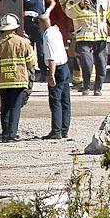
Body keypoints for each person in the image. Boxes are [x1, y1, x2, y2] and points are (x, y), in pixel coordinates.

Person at [65, 0, 110, 96]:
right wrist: (80, 6)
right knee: (87, 62)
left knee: (101, 63)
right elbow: (69, 12)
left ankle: (98, 88)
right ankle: (86, 86)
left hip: (101, 36)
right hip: (84, 36)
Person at [0, 14, 35, 142]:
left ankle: (4, 133)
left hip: (2, 81)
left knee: (4, 107)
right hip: (18, 81)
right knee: (15, 107)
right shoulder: (22, 42)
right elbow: (31, 62)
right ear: (14, 28)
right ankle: (11, 134)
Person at [40, 8, 71, 139]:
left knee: (55, 101)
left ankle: (56, 131)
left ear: (41, 24)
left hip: (57, 69)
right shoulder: (55, 30)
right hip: (65, 67)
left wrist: (51, 75)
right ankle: (64, 130)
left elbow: (51, 58)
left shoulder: (47, 35)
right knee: (65, 101)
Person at [22, 0, 51, 81]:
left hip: (38, 25)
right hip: (28, 25)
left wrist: (47, 12)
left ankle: (44, 73)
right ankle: (30, 73)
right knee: (29, 49)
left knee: (41, 50)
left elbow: (52, 2)